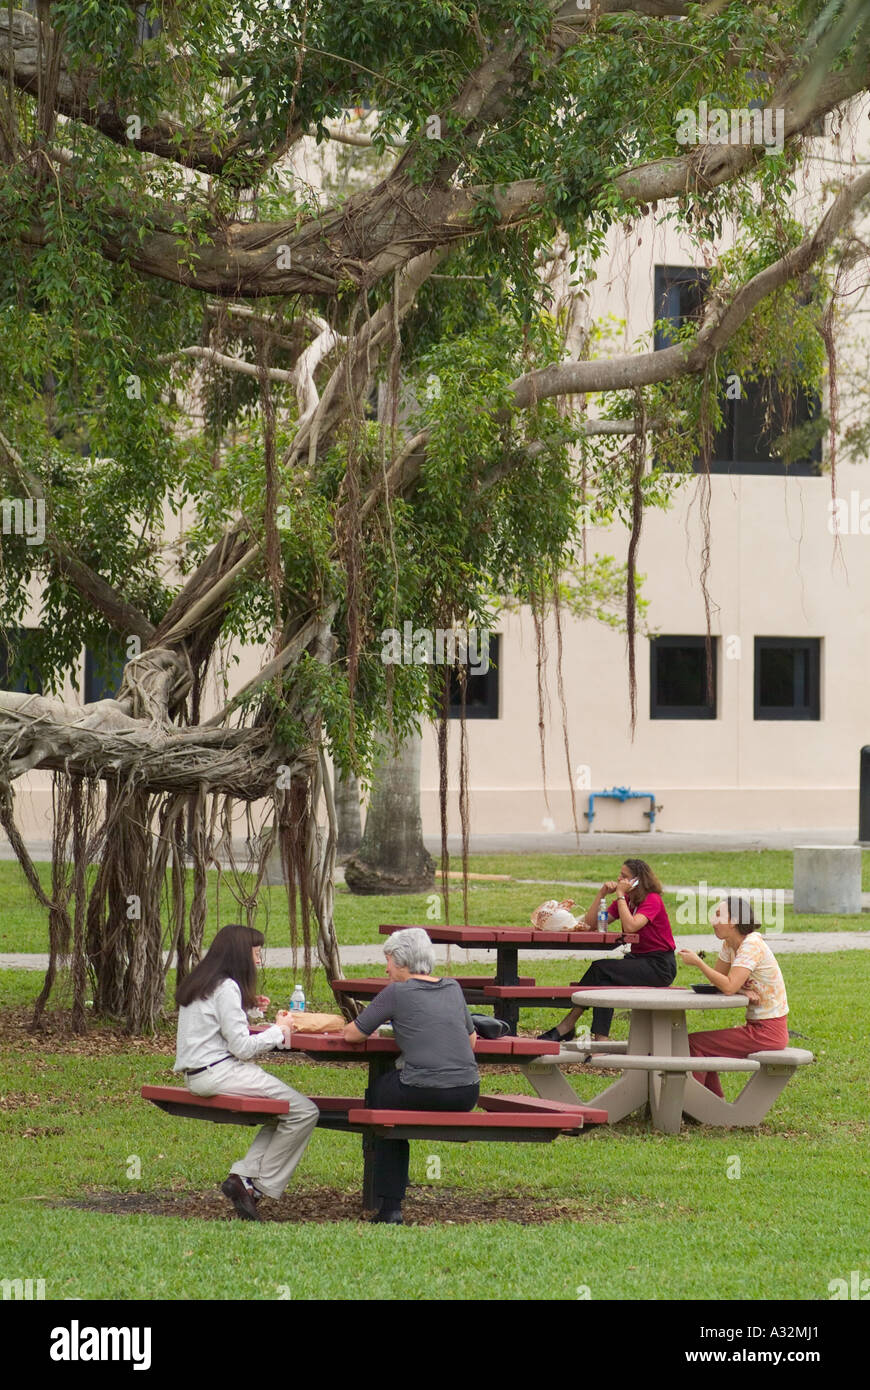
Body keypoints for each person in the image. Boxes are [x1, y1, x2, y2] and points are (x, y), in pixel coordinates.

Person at [174, 923, 319, 1221]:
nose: (258, 960)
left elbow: (213, 1024)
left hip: (197, 1075)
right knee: (305, 1111)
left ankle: (243, 1177)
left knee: (279, 1112)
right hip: (220, 1072)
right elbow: (242, 1047)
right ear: (241, 954)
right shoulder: (227, 986)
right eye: (256, 953)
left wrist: (249, 1008)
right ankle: (256, 1185)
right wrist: (280, 1031)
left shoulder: (203, 983)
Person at [342, 926, 480, 1225]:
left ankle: (390, 1206)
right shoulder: (453, 987)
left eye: (389, 959)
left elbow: (353, 1034)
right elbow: (471, 1041)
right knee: (391, 1100)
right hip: (467, 1092)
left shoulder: (397, 991)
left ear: (403, 962)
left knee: (382, 1101)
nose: (386, 967)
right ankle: (389, 1199)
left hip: (422, 1088)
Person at [538, 858, 676, 1042]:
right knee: (604, 983)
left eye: (624, 876)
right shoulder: (627, 900)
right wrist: (601, 894)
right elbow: (589, 924)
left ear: (637, 881)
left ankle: (567, 1025)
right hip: (638, 961)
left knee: (600, 968)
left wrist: (619, 895)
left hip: (659, 966)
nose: (619, 879)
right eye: (620, 875)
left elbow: (630, 927)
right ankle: (599, 1040)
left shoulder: (652, 900)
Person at [679, 895, 789, 1096]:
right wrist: (740, 989)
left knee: (695, 1043)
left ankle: (692, 1103)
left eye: (719, 915)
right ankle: (712, 1102)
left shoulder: (751, 944)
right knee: (703, 1045)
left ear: (734, 921)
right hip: (758, 1028)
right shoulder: (730, 944)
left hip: (768, 1032)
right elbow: (720, 981)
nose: (713, 921)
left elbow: (727, 987)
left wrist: (698, 962)